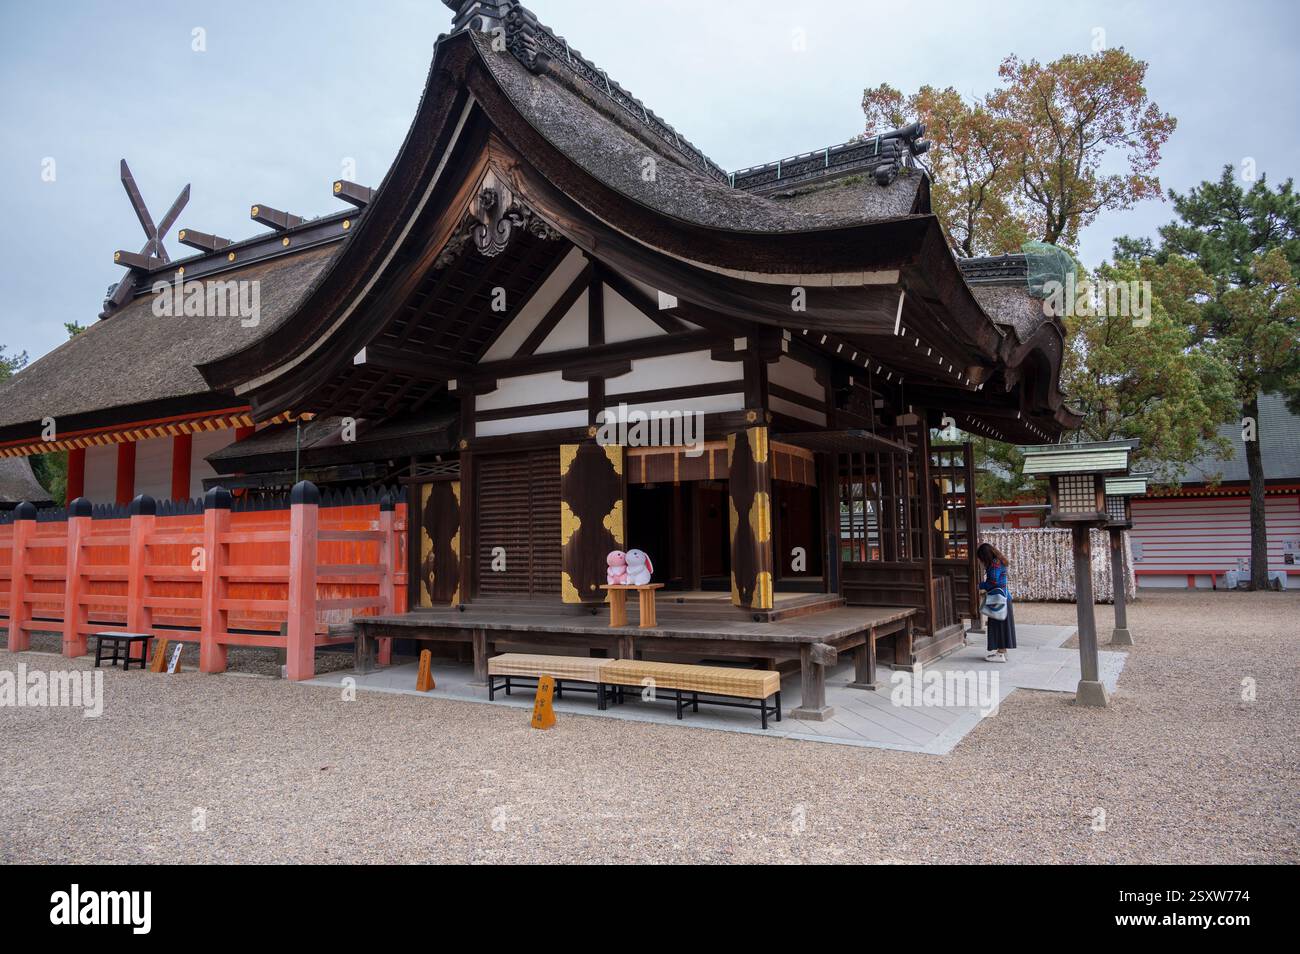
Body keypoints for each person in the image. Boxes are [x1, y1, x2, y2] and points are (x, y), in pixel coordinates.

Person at [977, 542, 1016, 662]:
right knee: (1003, 626)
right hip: (1004, 598)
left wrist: (979, 585)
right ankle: (1002, 651)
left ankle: (1000, 654)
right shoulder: (1000, 561)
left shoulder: (994, 565)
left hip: (998, 600)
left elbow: (993, 582)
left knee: (998, 626)